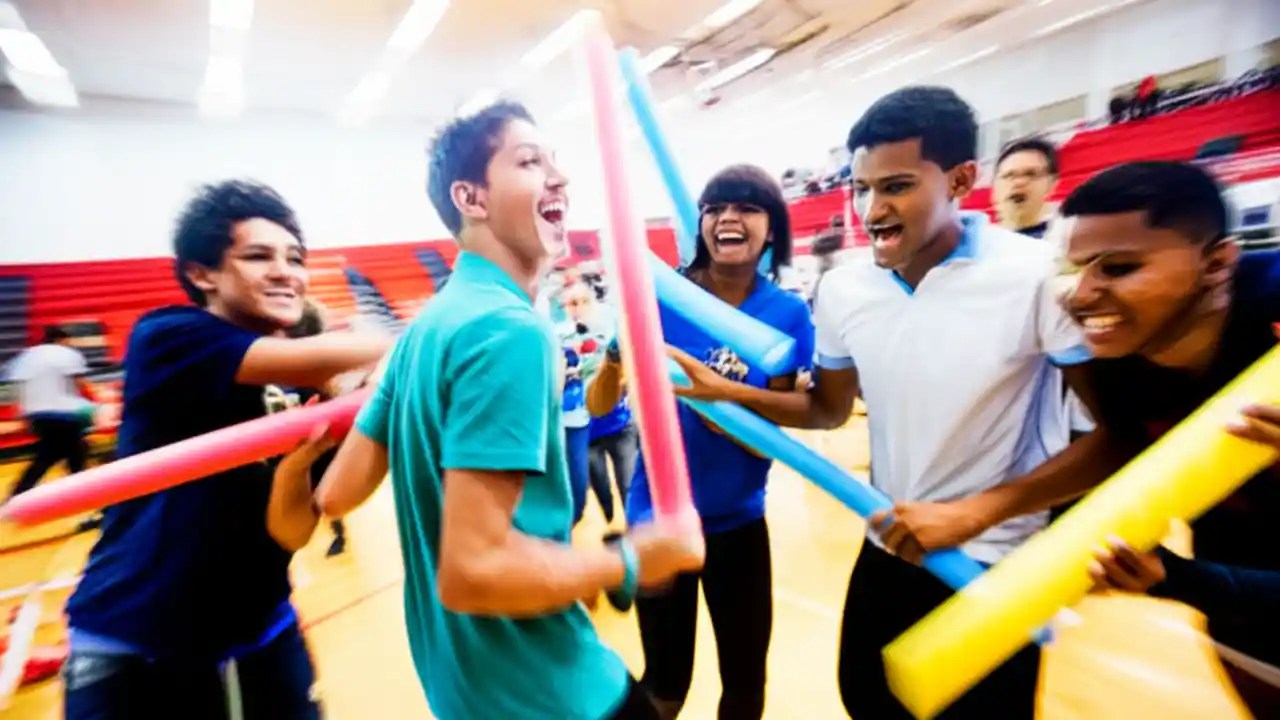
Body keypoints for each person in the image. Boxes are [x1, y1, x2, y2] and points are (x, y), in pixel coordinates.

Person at [668, 87, 1096, 719]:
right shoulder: (845, 290)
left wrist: (972, 516)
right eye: (862, 188)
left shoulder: (1037, 276)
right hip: (889, 539)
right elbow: (827, 410)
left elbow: (1110, 437)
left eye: (895, 186)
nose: (872, 209)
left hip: (993, 560)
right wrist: (723, 392)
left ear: (960, 179)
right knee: (865, 698)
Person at [294, 101, 703, 720]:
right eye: (531, 161)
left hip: (465, 696)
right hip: (554, 695)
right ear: (471, 197)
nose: (558, 177)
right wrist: (632, 559)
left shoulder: (425, 329)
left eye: (555, 163)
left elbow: (337, 493)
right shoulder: (509, 330)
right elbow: (472, 572)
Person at [61, 180, 390, 720]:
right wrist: (431, 340)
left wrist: (300, 463)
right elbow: (331, 353)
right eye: (258, 256)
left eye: (295, 258)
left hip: (260, 633)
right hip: (138, 645)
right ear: (201, 273)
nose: (286, 271)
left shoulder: (314, 394)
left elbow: (293, 530)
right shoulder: (170, 337)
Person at [991, 162, 1280, 715]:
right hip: (1240, 601)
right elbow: (1118, 442)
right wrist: (982, 512)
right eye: (1075, 269)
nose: (1081, 295)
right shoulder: (1115, 358)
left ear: (1218, 262)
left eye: (1119, 268)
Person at [592, 164, 815, 720]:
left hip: (739, 522)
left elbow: (773, 435)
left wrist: (732, 405)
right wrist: (618, 351)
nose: (728, 219)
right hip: (660, 520)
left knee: (744, 683)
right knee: (666, 683)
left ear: (772, 229)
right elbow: (600, 406)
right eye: (715, 208)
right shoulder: (663, 297)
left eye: (746, 208)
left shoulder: (787, 314)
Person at [266, 299, 353, 558]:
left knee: (317, 496)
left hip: (316, 451)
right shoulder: (308, 374)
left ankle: (338, 533)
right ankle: (338, 532)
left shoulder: (303, 379)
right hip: (315, 453)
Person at [2, 326, 95, 502]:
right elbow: (79, 381)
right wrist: (97, 400)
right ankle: (17, 496)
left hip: (37, 415)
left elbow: (17, 388)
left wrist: (23, 415)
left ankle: (84, 493)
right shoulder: (66, 354)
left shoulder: (26, 356)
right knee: (56, 455)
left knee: (70, 452)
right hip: (65, 413)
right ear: (62, 340)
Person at [993, 137, 1059, 239]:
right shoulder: (978, 245)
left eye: (1031, 174)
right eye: (1009, 175)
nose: (1019, 182)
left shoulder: (1065, 241)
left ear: (1052, 183)